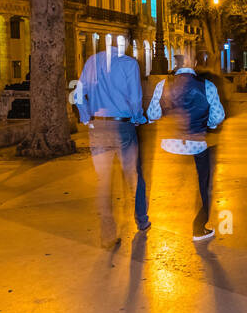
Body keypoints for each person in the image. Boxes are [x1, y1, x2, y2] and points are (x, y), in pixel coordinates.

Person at [76, 40, 150, 249]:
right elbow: (135, 97)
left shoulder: (91, 62)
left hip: (98, 127)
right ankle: (141, 219)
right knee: (134, 175)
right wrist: (137, 117)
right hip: (122, 127)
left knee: (103, 180)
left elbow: (78, 94)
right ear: (123, 44)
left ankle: (108, 233)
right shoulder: (129, 63)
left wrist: (85, 117)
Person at [147, 53, 226, 242]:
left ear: (176, 64)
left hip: (170, 144)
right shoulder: (207, 86)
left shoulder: (163, 85)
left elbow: (153, 113)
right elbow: (218, 116)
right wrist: (211, 125)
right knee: (204, 181)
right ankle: (199, 228)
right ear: (196, 63)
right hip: (197, 142)